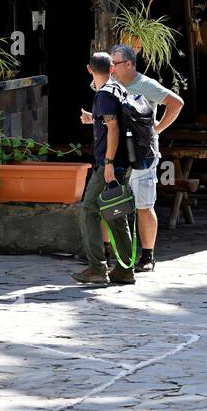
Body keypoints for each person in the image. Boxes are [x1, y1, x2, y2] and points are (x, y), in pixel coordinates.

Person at [108, 43, 184, 272]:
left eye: (115, 63)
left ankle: (148, 256)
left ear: (129, 64)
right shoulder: (112, 85)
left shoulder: (146, 84)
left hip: (143, 153)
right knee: (114, 203)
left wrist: (158, 129)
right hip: (117, 154)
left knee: (144, 204)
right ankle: (112, 253)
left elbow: (176, 103)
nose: (111, 68)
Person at [74, 52, 142, 285]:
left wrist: (109, 163)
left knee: (88, 210)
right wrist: (93, 118)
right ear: (112, 68)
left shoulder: (104, 94)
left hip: (110, 163)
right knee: (115, 214)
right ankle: (125, 269)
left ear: (89, 69)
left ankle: (96, 268)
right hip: (123, 162)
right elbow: (112, 123)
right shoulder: (117, 89)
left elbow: (113, 129)